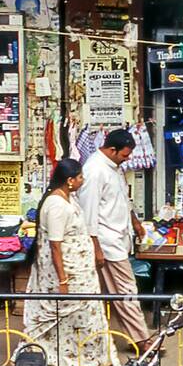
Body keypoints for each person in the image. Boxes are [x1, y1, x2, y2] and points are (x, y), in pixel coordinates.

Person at [23, 159, 122, 366]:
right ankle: (86, 362)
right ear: (69, 181)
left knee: (84, 315)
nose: (82, 180)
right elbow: (55, 246)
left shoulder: (68, 199)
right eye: (79, 177)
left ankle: (85, 360)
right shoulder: (57, 205)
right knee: (83, 316)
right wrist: (63, 280)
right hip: (68, 273)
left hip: (80, 271)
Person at [76, 128, 152, 352]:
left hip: (119, 237)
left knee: (112, 292)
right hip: (107, 242)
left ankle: (120, 336)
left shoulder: (114, 168)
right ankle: (141, 338)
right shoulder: (94, 170)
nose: (127, 159)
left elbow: (122, 200)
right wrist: (97, 248)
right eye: (124, 155)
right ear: (111, 149)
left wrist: (135, 222)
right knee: (126, 290)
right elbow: (88, 213)